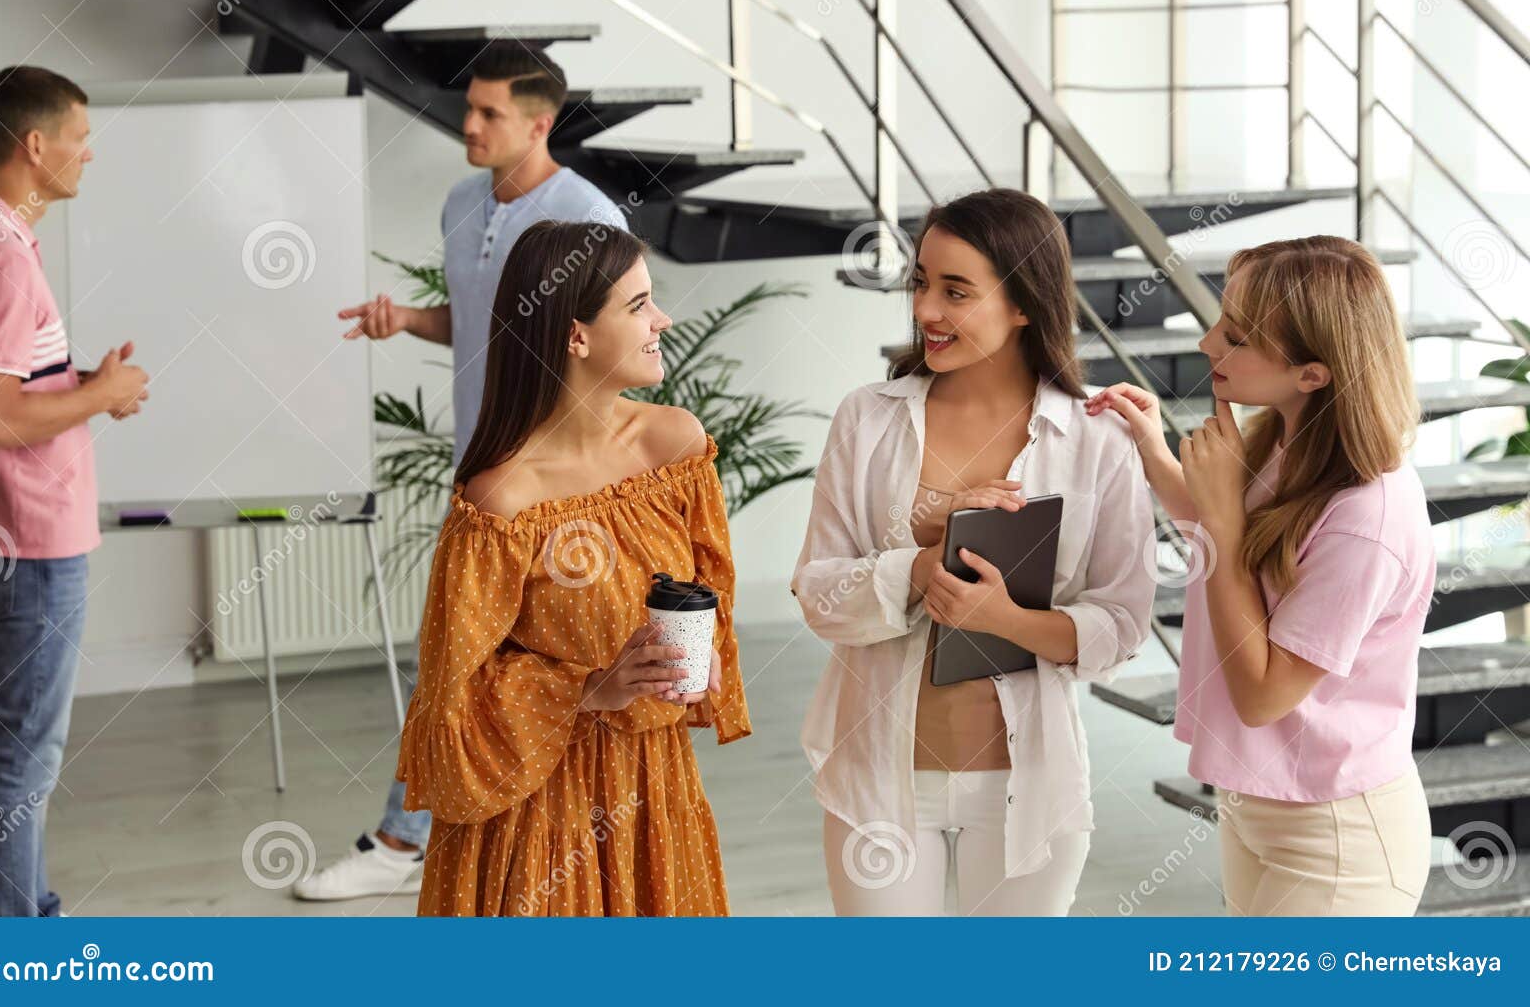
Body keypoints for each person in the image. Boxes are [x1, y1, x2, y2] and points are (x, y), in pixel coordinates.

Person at [300, 43, 627, 900]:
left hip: (554, 487)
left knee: (530, 661)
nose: (468, 124)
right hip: (477, 472)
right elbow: (486, 320)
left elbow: (612, 348)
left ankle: (416, 840)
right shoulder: (459, 203)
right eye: (469, 107)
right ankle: (427, 841)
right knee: (457, 657)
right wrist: (408, 319)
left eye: (489, 113)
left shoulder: (589, 217)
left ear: (540, 123)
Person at [792, 188, 1156, 916]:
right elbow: (819, 594)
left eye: (956, 291)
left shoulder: (1097, 439)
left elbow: (1121, 626)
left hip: (1028, 789)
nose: (926, 309)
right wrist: (919, 566)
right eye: (921, 282)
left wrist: (1005, 619)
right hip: (879, 782)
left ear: (1024, 303)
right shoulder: (867, 418)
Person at [394, 219, 751, 915]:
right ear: (575, 335)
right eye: (638, 305)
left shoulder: (676, 446)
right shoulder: (502, 499)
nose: (662, 319)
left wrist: (705, 647)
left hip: (654, 784)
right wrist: (589, 688)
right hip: (536, 804)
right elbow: (450, 699)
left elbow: (711, 589)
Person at [1087, 235, 1436, 916]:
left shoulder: (1366, 516)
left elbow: (1263, 694)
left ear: (1312, 373)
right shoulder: (1285, 438)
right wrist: (1154, 448)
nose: (1207, 343)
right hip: (1258, 802)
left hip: (1337, 834)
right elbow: (1237, 547)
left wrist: (1221, 519)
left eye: (1237, 336)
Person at [0, 66, 148, 916]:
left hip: (1, 527)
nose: (88, 154)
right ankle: (12, 950)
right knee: (22, 757)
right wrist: (104, 394)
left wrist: (78, 382)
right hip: (29, 538)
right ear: (33, 144)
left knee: (21, 750)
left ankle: (25, 918)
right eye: (79, 137)